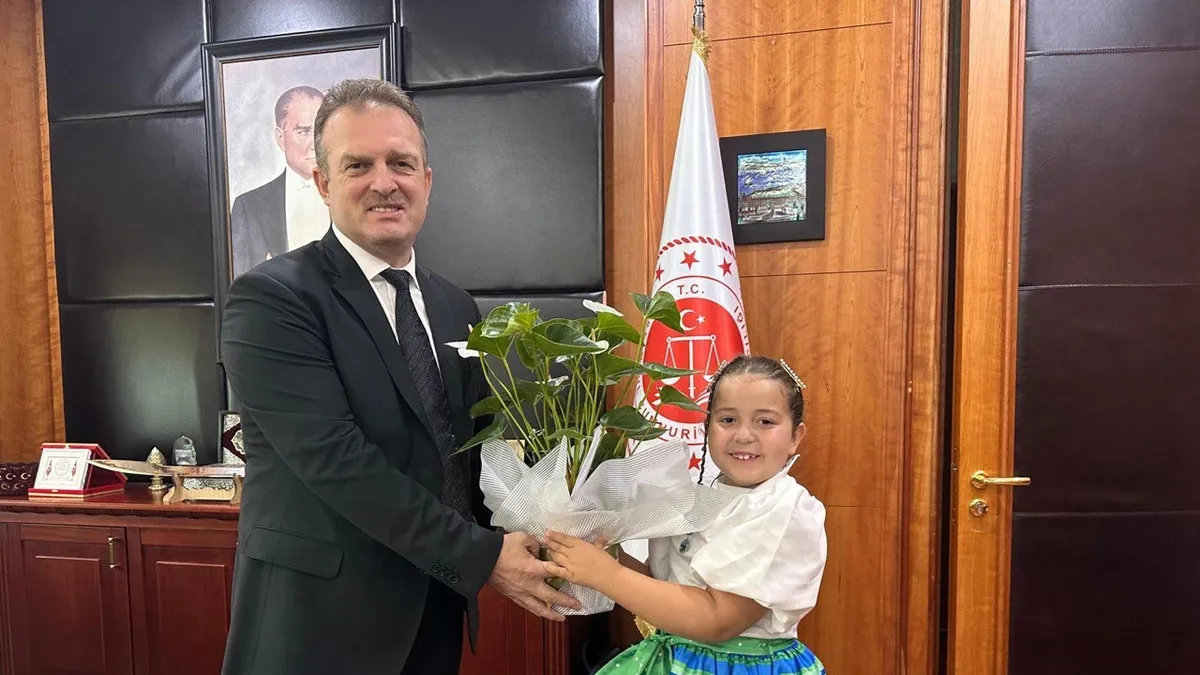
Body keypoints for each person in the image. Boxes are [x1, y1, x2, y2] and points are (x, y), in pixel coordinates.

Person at [219, 78, 580, 675]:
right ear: (324, 183)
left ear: (427, 181)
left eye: (401, 163)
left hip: (433, 613)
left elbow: (471, 454)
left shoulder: (454, 306)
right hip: (318, 626)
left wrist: (551, 531)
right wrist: (485, 557)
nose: (384, 182)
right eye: (358, 164)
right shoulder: (272, 299)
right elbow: (337, 462)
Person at [544, 355, 828, 675]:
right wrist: (600, 547)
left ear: (795, 437)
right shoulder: (694, 495)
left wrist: (607, 575)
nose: (744, 435)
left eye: (765, 421)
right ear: (707, 428)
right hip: (672, 659)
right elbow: (662, 580)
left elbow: (718, 621)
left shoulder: (784, 510)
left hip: (736, 667)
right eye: (728, 420)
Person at [228, 85, 331, 278]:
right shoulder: (249, 207)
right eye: (304, 132)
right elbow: (240, 289)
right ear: (280, 138)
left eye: (321, 131)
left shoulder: (352, 195)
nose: (315, 145)